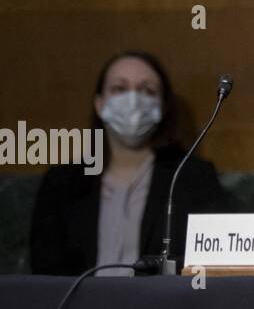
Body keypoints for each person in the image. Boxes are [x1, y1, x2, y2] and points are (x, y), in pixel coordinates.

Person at [29, 50, 229, 275]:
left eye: (147, 90)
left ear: (161, 107)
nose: (133, 100)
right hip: (77, 308)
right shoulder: (62, 183)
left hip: (160, 308)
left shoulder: (192, 178)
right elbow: (44, 271)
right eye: (119, 89)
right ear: (99, 104)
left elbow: (208, 262)